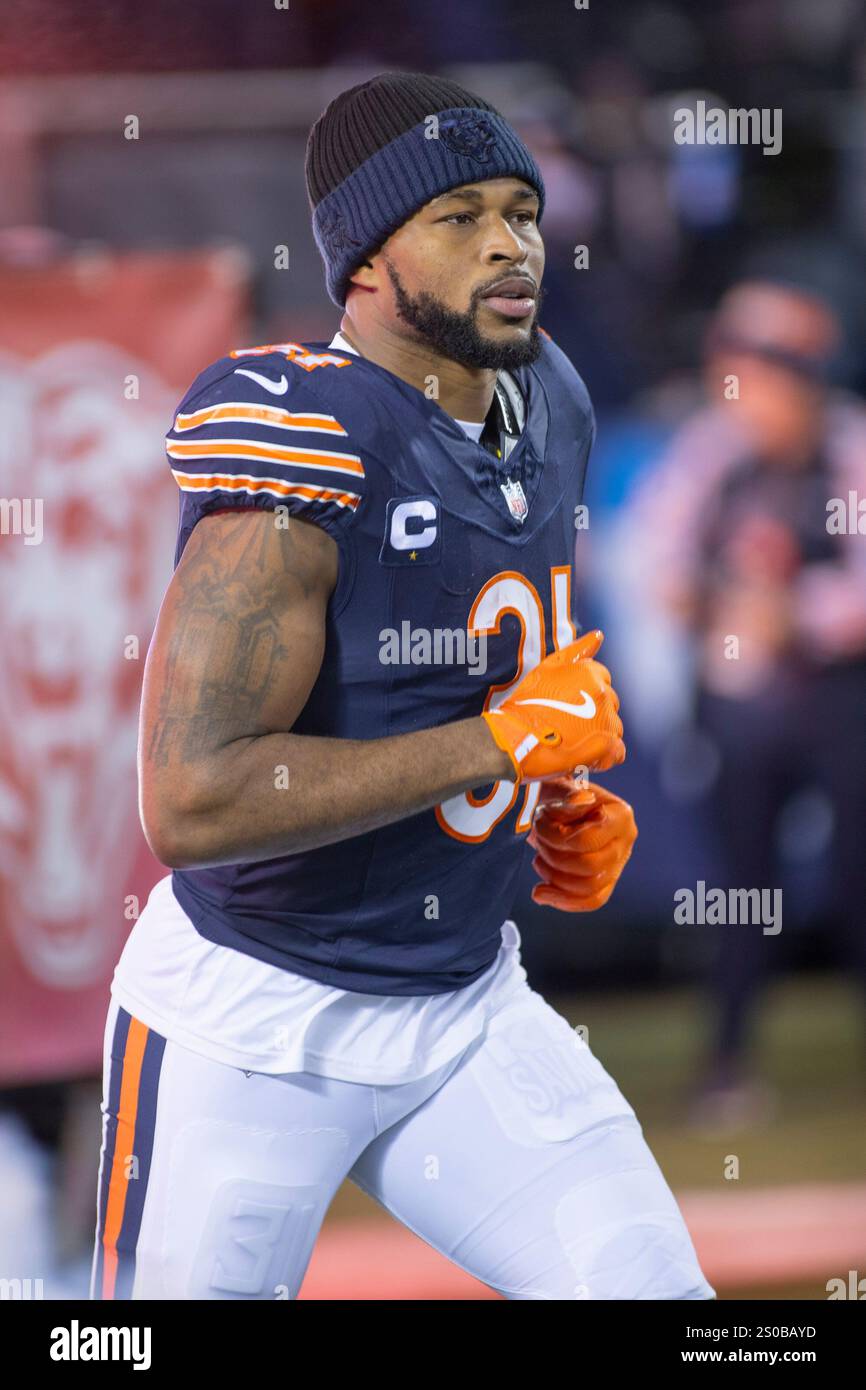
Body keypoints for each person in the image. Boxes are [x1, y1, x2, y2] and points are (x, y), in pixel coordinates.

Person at [91, 71, 715, 1301]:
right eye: (460, 214)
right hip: (255, 1018)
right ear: (365, 261)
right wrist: (494, 747)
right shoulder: (300, 445)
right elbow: (193, 801)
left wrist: (546, 797)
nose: (510, 242)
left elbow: (466, 669)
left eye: (521, 210)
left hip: (465, 1003)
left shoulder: (551, 404)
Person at [630, 280, 866, 1126]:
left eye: (760, 373)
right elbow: (656, 559)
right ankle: (727, 1067)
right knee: (740, 890)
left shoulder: (847, 451)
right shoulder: (713, 454)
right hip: (742, 708)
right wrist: (711, 598)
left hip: (839, 700)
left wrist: (794, 613)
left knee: (856, 877)